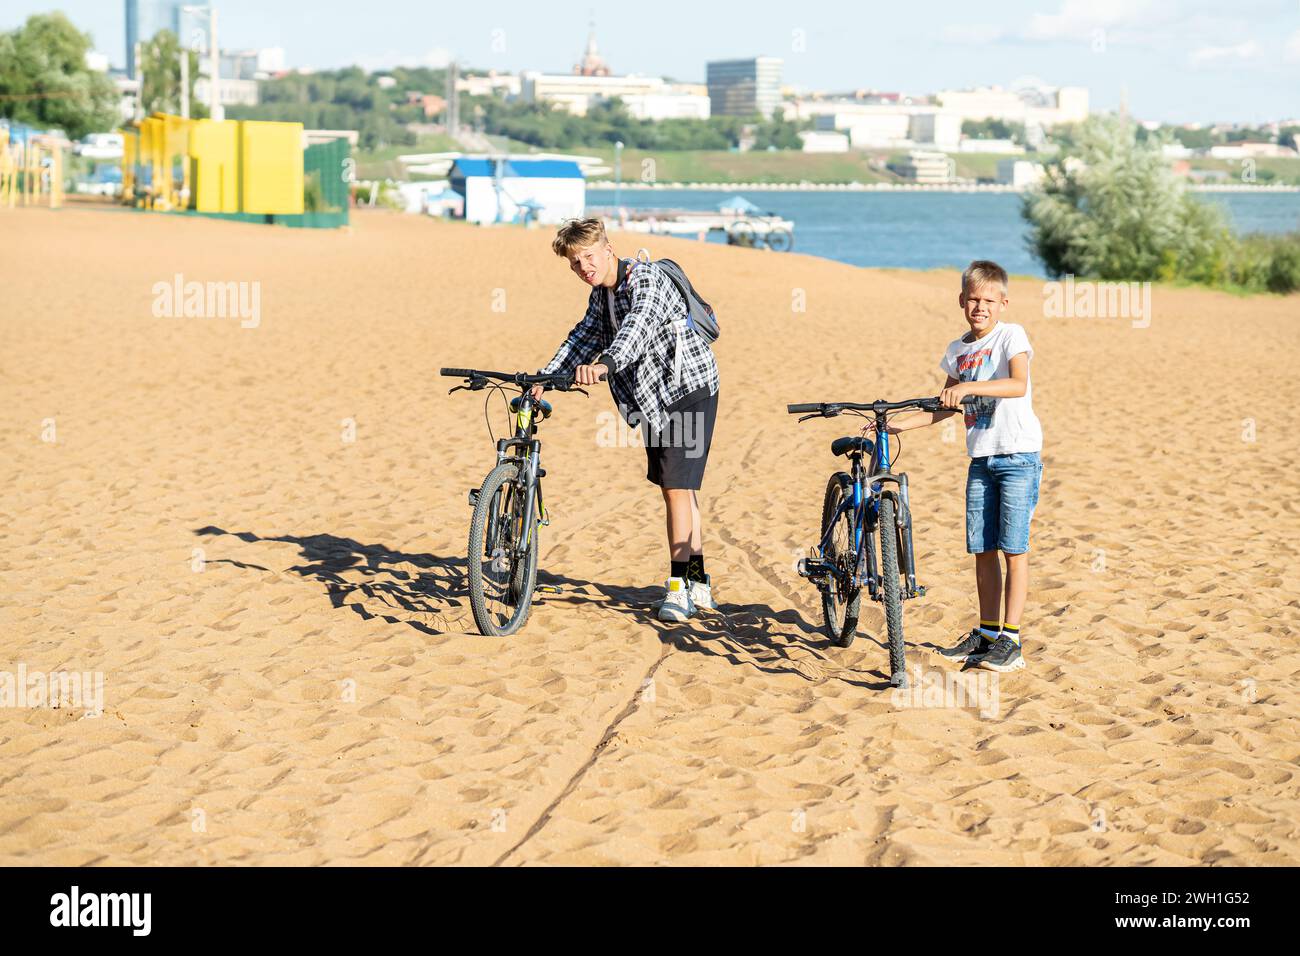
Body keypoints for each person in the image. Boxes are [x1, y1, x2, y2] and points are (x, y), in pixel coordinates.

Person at [535, 218, 721, 621]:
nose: (583, 267)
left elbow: (635, 332)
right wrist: (545, 379)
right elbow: (581, 337)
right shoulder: (600, 297)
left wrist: (605, 364)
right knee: (680, 490)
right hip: (652, 400)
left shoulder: (647, 280)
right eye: (574, 262)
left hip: (688, 389)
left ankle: (677, 590)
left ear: (607, 248)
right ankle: (700, 582)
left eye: (588, 256)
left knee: (676, 487)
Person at [865, 260, 1043, 672]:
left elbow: (1017, 385)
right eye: (973, 299)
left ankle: (1011, 641)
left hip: (1017, 455)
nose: (980, 307)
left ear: (1002, 303)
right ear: (962, 301)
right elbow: (941, 408)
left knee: (1014, 549)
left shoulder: (1010, 336)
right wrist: (892, 426)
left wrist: (967, 388)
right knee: (982, 548)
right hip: (980, 459)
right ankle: (986, 633)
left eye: (988, 300)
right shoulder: (957, 350)